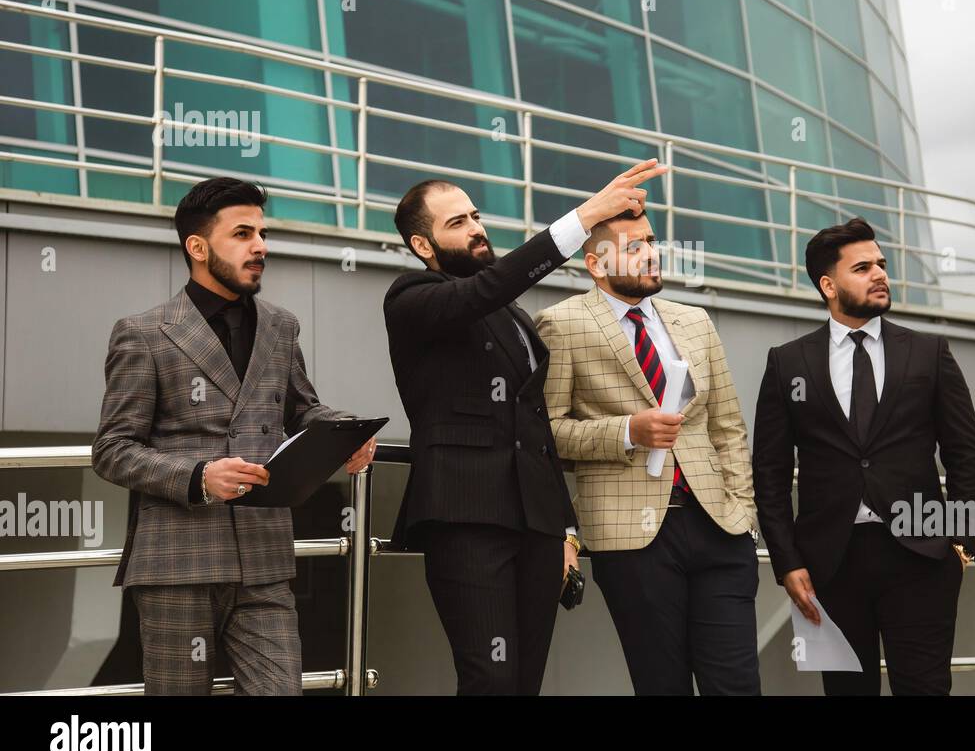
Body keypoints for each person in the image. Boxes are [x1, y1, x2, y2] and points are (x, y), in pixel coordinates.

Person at [385, 159, 664, 694]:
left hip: (536, 525)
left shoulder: (511, 313)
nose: (476, 228)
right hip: (465, 517)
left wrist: (563, 527)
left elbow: (535, 426)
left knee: (525, 680)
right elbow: (481, 290)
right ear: (424, 246)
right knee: (491, 677)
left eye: (475, 216)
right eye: (456, 223)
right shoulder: (412, 298)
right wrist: (585, 218)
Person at [92, 177, 375, 695]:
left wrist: (342, 432)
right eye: (243, 234)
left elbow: (302, 408)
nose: (260, 246)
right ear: (197, 248)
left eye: (262, 233)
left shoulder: (280, 326)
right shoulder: (144, 332)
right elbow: (112, 450)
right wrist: (199, 476)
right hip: (177, 562)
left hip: (265, 557)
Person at [752, 217, 975, 695]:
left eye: (881, 264)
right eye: (862, 268)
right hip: (829, 566)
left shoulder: (927, 353)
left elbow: (965, 452)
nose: (880, 274)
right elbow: (769, 473)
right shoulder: (788, 363)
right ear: (828, 284)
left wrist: (962, 543)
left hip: (922, 557)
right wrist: (786, 561)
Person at [534, 210, 760, 695]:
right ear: (596, 264)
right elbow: (546, 434)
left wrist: (744, 512)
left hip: (719, 527)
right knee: (661, 685)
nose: (652, 254)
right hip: (631, 539)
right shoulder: (561, 323)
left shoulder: (695, 321)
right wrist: (627, 431)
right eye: (634, 247)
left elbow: (728, 426)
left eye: (653, 242)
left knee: (738, 686)